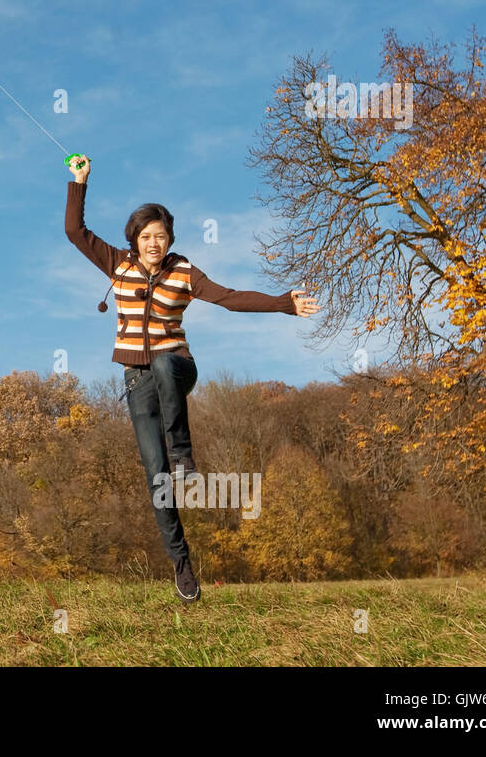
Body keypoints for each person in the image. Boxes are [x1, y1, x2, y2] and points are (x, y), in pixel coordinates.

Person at [63, 153, 320, 603]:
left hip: (178, 366)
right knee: (154, 475)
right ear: (135, 239)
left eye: (161, 236)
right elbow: (74, 232)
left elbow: (229, 297)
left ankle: (184, 455)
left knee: (164, 364)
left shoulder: (183, 271)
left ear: (170, 239)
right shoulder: (117, 265)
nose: (153, 243)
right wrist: (79, 182)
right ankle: (181, 563)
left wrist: (284, 303)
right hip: (134, 380)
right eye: (146, 236)